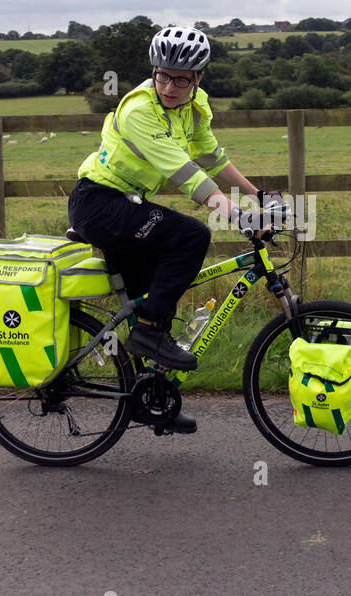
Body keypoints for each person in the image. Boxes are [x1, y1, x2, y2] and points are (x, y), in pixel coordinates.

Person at [68, 26, 274, 390]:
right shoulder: (138, 110)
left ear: (198, 78)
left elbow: (211, 157)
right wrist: (239, 216)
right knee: (191, 236)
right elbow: (186, 175)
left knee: (157, 297)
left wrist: (257, 195)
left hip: (127, 204)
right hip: (99, 204)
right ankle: (148, 334)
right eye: (162, 76)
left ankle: (150, 393)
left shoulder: (195, 107)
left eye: (180, 80)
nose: (168, 88)